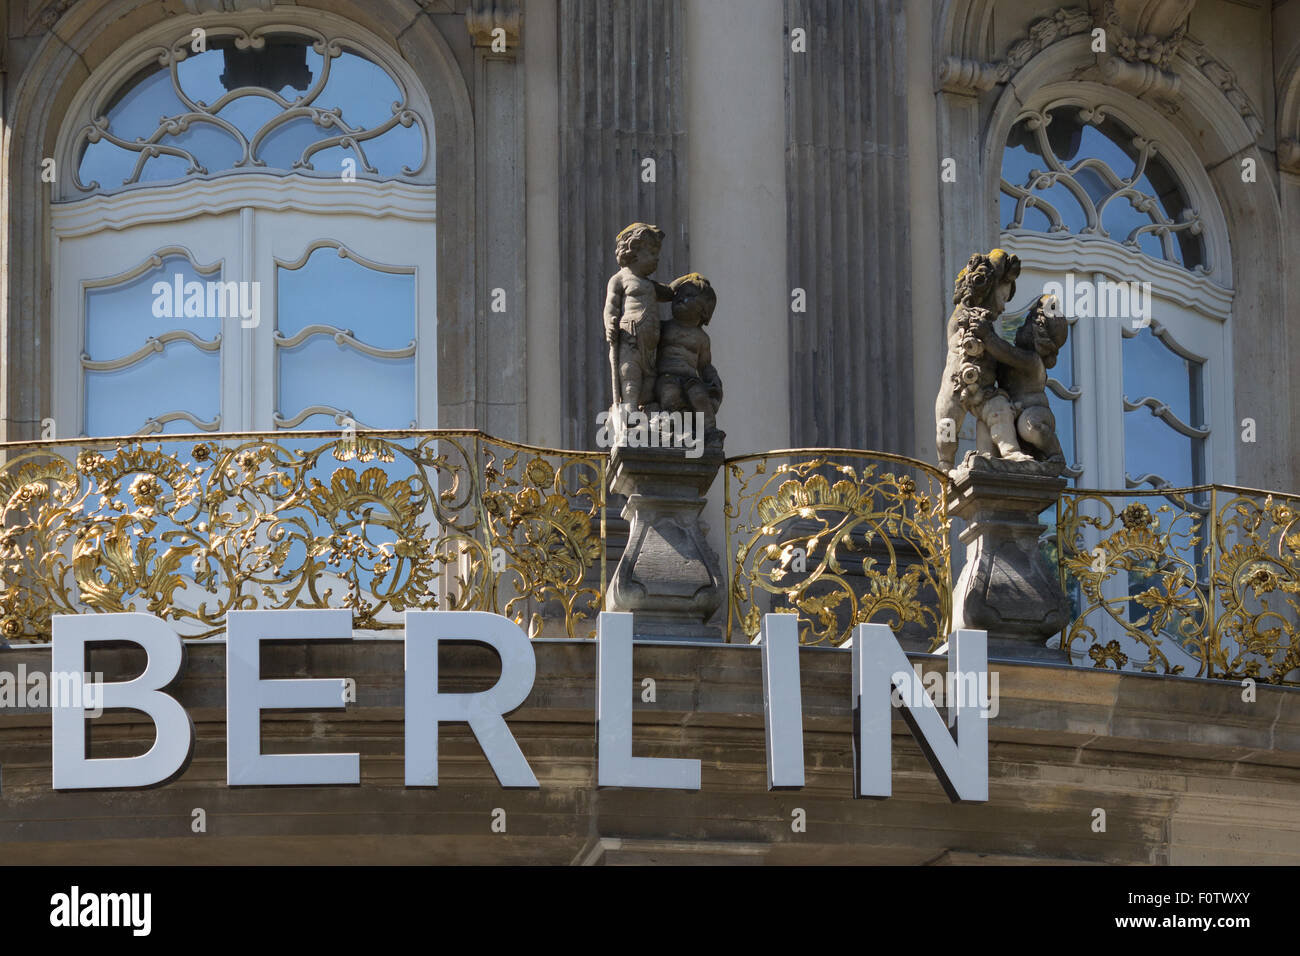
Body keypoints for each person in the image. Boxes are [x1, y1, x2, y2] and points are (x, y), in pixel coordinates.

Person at [934, 249, 1032, 473]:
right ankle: (945, 465)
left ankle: (1009, 451)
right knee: (946, 427)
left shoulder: (989, 328)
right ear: (988, 288)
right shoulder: (962, 316)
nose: (1004, 306)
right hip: (954, 390)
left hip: (984, 391)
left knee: (1000, 411)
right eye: (1003, 297)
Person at [604, 223, 674, 413]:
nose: (656, 258)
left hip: (651, 342)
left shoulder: (650, 285)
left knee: (650, 376)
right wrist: (609, 323)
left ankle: (646, 408)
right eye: (651, 252)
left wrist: (687, 285)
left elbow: (670, 292)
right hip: (631, 335)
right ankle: (630, 409)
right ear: (632, 252)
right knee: (630, 372)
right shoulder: (620, 279)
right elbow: (611, 305)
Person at [656, 273, 723, 432]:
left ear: (704, 311)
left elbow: (705, 365)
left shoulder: (701, 338)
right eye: (679, 294)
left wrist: (713, 380)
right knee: (669, 394)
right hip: (666, 377)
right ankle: (679, 424)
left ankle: (709, 430)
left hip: (690, 378)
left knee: (699, 396)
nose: (680, 298)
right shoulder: (663, 328)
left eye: (689, 296)